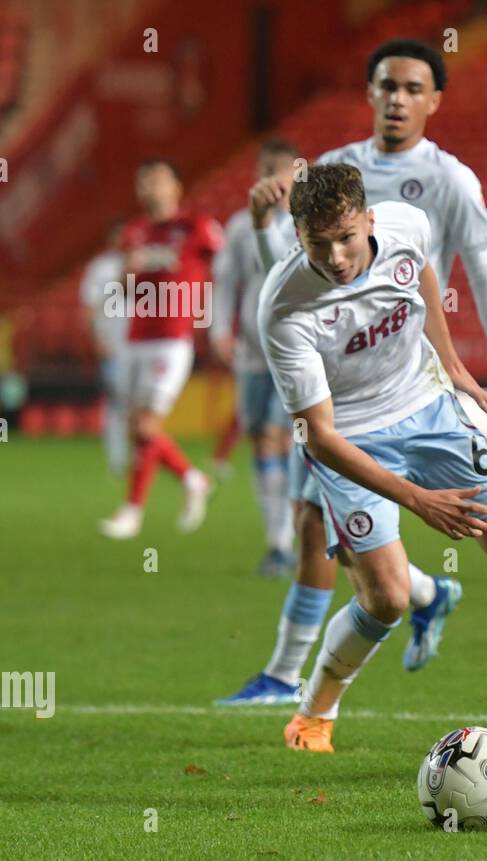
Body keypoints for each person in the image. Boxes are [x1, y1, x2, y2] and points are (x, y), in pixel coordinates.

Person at [220, 38, 487, 704]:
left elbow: (476, 264)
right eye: (387, 86)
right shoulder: (334, 168)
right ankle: (420, 596)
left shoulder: (449, 179)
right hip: (328, 370)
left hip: (400, 379)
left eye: (412, 88)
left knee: (328, 537)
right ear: (370, 94)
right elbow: (295, 265)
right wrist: (263, 223)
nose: (397, 99)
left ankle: (287, 675)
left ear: (434, 101)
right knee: (326, 537)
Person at [258, 163, 487, 753]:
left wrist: (452, 363)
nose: (336, 256)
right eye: (318, 244)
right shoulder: (285, 310)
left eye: (346, 237)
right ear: (297, 237)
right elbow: (319, 436)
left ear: (368, 219)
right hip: (350, 438)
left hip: (429, 409)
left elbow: (423, 276)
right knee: (386, 598)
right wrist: (417, 500)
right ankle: (313, 714)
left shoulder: (407, 225)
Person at [99, 159, 222, 540]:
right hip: (137, 338)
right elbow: (121, 289)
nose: (149, 188)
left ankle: (133, 511)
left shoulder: (196, 228)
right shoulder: (134, 232)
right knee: (139, 430)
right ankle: (192, 479)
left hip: (172, 339)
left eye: (156, 180)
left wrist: (216, 320)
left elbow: (226, 267)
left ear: (176, 187)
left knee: (145, 425)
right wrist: (129, 274)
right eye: (143, 182)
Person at [210, 140, 300, 576]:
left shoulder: (307, 224)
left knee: (281, 438)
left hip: (292, 350)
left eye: (279, 173)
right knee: (261, 439)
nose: (271, 181)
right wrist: (218, 329)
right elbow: (226, 282)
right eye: (265, 171)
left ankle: (291, 537)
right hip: (250, 350)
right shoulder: (239, 226)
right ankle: (278, 542)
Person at [79, 219, 128, 475]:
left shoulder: (139, 263)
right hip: (113, 346)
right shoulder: (100, 268)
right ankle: (118, 460)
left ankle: (139, 457)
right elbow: (90, 308)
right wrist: (98, 340)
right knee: (117, 404)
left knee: (138, 405)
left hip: (137, 346)